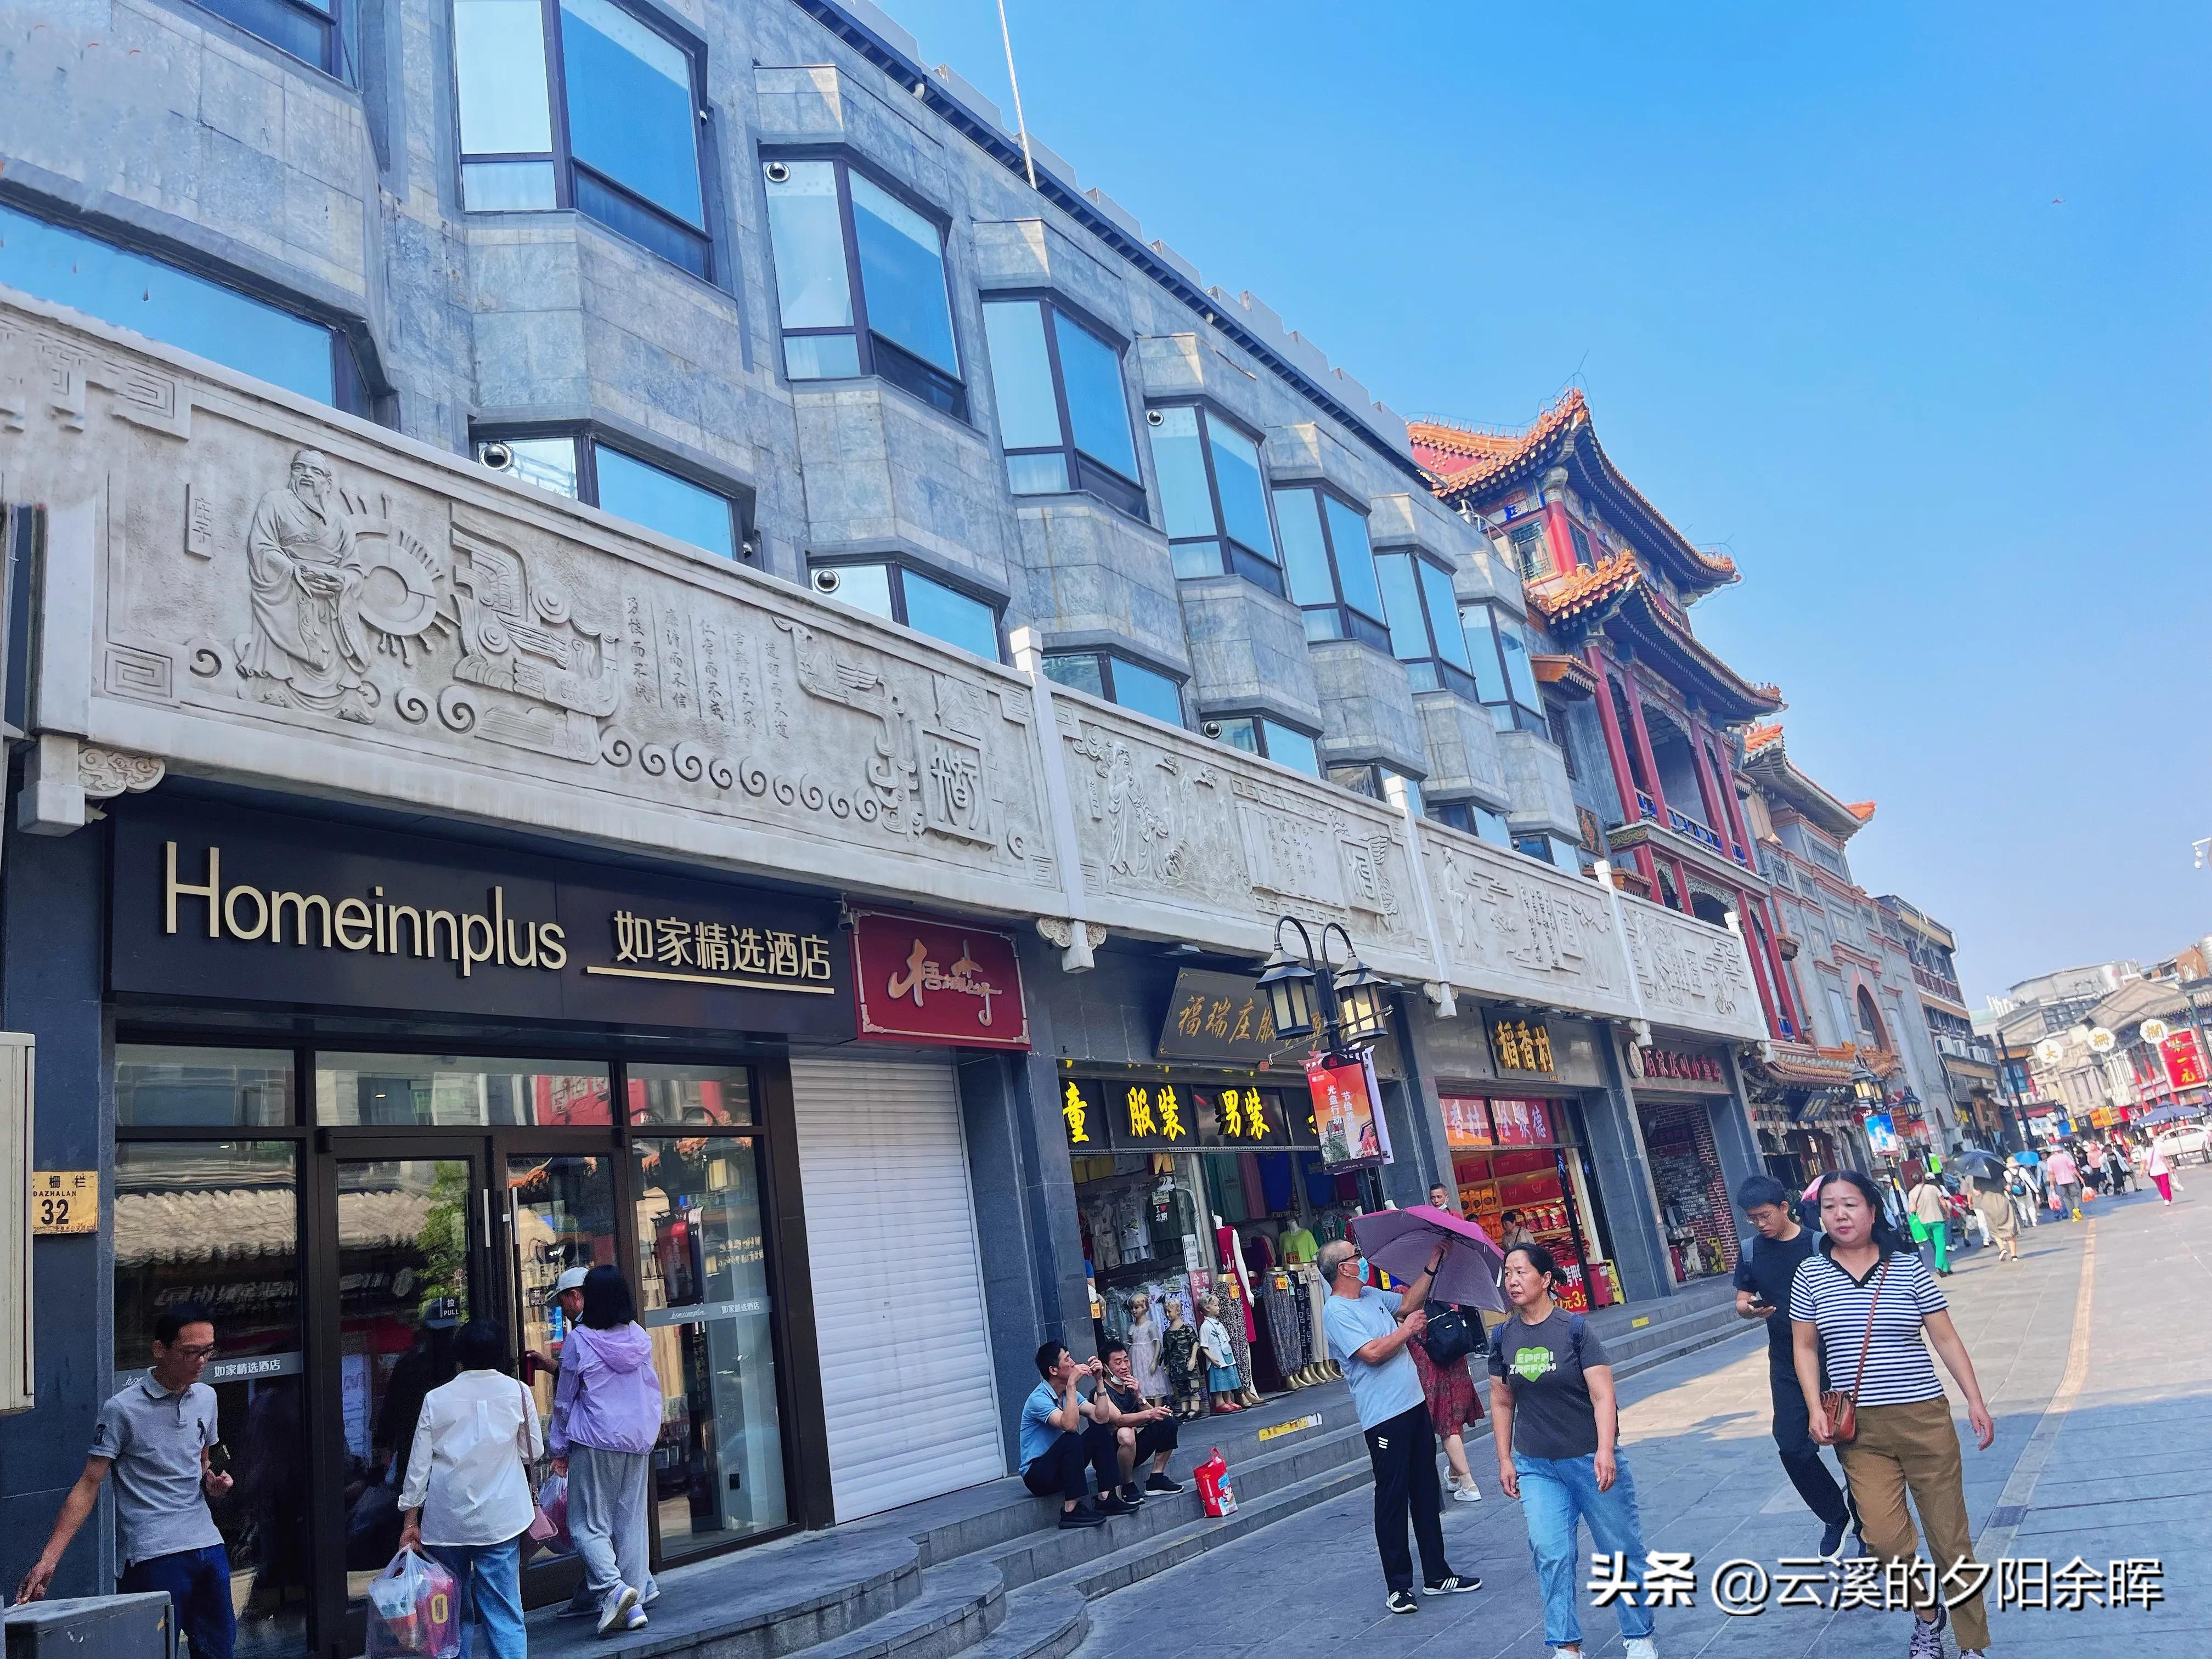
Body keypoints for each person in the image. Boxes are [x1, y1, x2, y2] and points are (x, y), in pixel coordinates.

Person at [1791, 1171, 1996, 1659]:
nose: (1840, 1215)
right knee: (1883, 1541)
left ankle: (1972, 1644)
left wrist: (1975, 1399)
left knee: (1950, 1539)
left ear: (1873, 1210)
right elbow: (1803, 1346)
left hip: (1924, 1419)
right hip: (1858, 1430)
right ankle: (1928, 1615)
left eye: (1850, 1205)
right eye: (1830, 1207)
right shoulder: (1811, 1275)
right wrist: (1813, 1404)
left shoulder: (1907, 1268)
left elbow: (1944, 1337)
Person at [15, 1304, 238, 1659]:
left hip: (208, 1546)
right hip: (152, 1555)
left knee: (219, 1650)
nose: (201, 1361)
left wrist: (211, 1484)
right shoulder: (123, 1410)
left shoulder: (207, 1398)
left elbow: (201, 1462)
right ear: (160, 1350)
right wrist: (48, 1560)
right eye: (191, 1352)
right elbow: (89, 1484)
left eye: (208, 1351)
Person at [1489, 1243, 1660, 1659]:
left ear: (1546, 1280)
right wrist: (1505, 1457)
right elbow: (1501, 1400)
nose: (1512, 1280)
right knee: (1550, 1552)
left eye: (1521, 1272)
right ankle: (1565, 1644)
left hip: (1589, 1458)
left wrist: (1605, 1449)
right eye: (1507, 1273)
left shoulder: (1575, 1330)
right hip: (1536, 1465)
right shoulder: (1502, 1336)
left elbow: (1604, 1396)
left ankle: (1638, 1636)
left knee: (1620, 1550)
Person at [1317, 1237, 1481, 1615]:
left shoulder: (1371, 1296)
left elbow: (1408, 1305)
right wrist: (1406, 1331)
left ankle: (1438, 1574)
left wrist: (1432, 1264)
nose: (1362, 1261)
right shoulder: (1337, 1312)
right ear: (1343, 1267)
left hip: (1413, 1404)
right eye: (1357, 1256)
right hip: (1383, 1417)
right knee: (1392, 1498)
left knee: (1426, 1491)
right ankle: (1399, 1585)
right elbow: (1372, 1354)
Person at [398, 1319, 543, 1658]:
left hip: (447, 1521)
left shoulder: (436, 1399)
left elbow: (418, 1467)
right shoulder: (518, 1392)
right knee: (505, 1610)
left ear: (458, 1356)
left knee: (449, 1612)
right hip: (502, 1518)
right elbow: (533, 1451)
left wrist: (410, 1521)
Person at [1731, 1176, 1857, 1558]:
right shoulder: (1752, 1251)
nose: (1760, 1224)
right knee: (1791, 1445)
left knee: (1851, 1443)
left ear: (1784, 1208)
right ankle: (1835, 1514)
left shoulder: (1820, 1245)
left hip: (1834, 1357)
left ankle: (1869, 1521)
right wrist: (1750, 1310)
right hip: (1786, 1361)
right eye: (1752, 1219)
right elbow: (1740, 1299)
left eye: (1765, 1216)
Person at [549, 1265, 663, 1635]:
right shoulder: (638, 1336)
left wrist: (558, 1446)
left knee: (586, 1526)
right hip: (637, 1440)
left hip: (596, 1440)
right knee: (629, 1525)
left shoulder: (579, 1340)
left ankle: (614, 1591)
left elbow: (565, 1401)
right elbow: (651, 1390)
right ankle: (634, 1607)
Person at [1019, 1342, 1125, 1528]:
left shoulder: (1070, 1395)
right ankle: (1070, 1510)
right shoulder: (1038, 1399)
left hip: (1061, 1468)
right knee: (1071, 1437)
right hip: (1037, 1475)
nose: (1074, 1363)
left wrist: (1100, 1380)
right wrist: (1072, 1384)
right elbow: (1069, 1425)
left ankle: (1106, 1498)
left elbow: (1102, 1417)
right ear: (1053, 1370)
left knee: (1099, 1431)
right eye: (1067, 1359)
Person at [1409, 1306, 1485, 1503]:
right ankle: (1454, 1474)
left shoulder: (1408, 1298)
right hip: (1454, 1357)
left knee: (1448, 1426)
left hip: (1433, 1363)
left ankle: (1469, 1484)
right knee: (1455, 1420)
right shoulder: (1443, 1289)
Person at [1094, 1340, 1183, 1504]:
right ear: (1106, 1368)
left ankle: (1157, 1478)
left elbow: (1150, 1415)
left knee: (1167, 1421)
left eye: (1126, 1360)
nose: (1124, 1366)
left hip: (1134, 1448)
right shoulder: (1101, 1392)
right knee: (1126, 1432)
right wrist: (1150, 1413)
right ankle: (1127, 1485)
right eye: (1118, 1362)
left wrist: (1139, 1396)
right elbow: (1119, 1420)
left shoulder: (1130, 1385)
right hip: (1111, 1454)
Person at [1904, 1172, 1953, 1276]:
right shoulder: (1933, 1188)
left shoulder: (1912, 1193)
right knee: (1941, 1244)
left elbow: (1912, 1209)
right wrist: (1947, 1214)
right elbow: (1943, 1203)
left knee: (1936, 1244)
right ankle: (1939, 1266)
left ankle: (1946, 1267)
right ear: (1923, 1178)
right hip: (1937, 1219)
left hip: (1924, 1222)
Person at [1971, 1171, 2021, 1262]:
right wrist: (2009, 1182)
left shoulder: (1977, 1175)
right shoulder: (1998, 1173)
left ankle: (2002, 1249)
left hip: (1987, 1202)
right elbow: (2008, 1188)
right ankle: (2014, 1256)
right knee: (2009, 1226)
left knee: (1993, 1227)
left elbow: (1977, 1193)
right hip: (2001, 1200)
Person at [2044, 1143, 2084, 1220]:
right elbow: (2073, 1168)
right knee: (2075, 1195)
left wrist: (2052, 1184)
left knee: (2066, 1198)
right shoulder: (2065, 1157)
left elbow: (2051, 1173)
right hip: (2071, 1179)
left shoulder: (2050, 1160)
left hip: (2060, 1182)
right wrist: (2080, 1177)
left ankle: (2073, 1213)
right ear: (2060, 1150)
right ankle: (2077, 1209)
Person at [2143, 1136, 2176, 1205]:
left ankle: (2165, 1198)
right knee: (2165, 1185)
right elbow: (2164, 1160)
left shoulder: (2146, 1153)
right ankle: (2167, 1199)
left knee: (2160, 1186)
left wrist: (2144, 1170)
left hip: (2153, 1172)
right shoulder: (2158, 1150)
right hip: (2162, 1170)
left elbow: (2145, 1163)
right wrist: (2170, 1168)